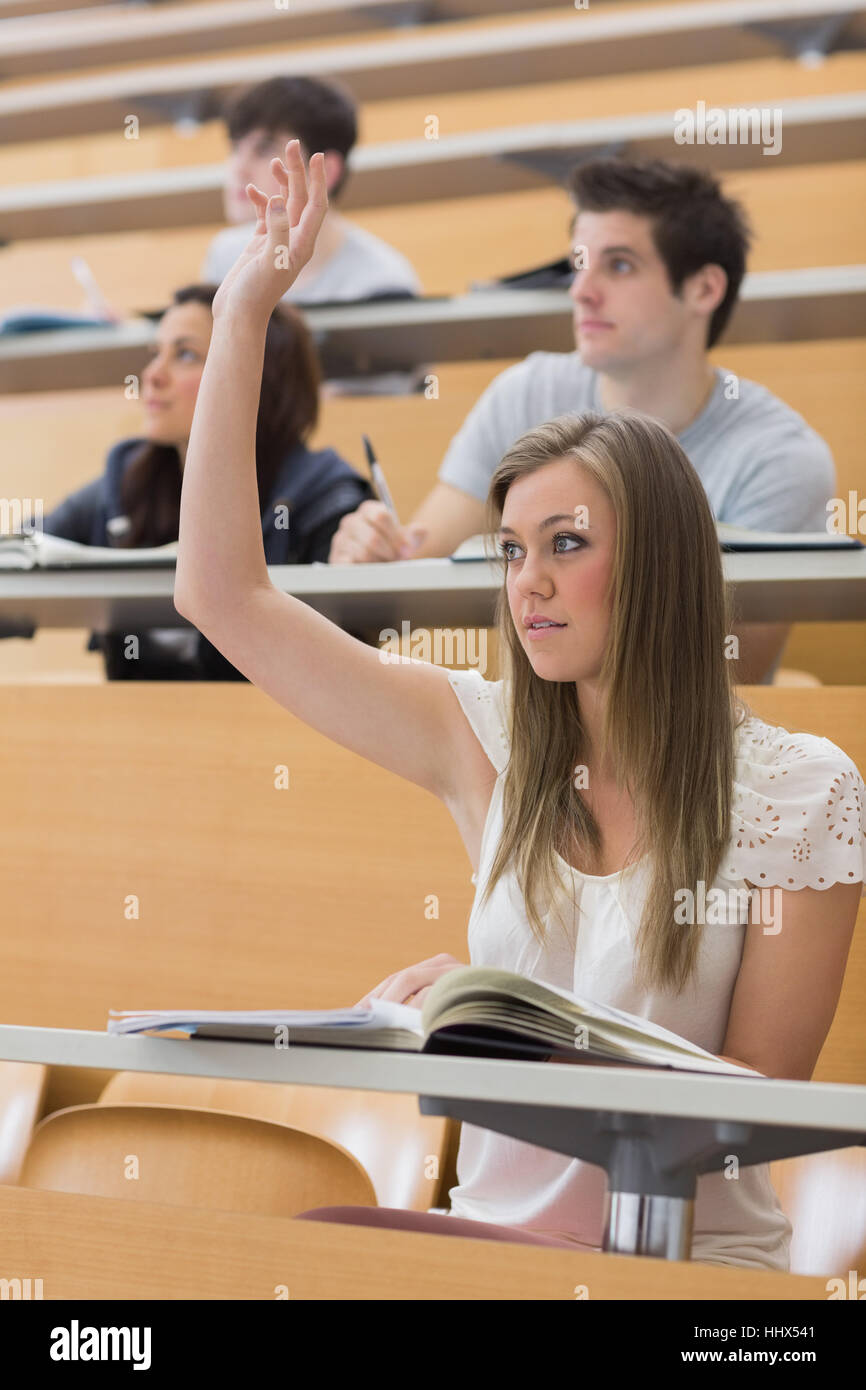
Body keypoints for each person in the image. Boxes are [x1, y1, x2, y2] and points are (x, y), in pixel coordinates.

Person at [174, 142, 864, 1268]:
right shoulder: (476, 732)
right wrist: (247, 305)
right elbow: (220, 594)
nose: (525, 582)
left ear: (661, 565)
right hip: (490, 1255)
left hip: (690, 1269)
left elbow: (748, 1118)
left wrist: (507, 1017)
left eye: (566, 545)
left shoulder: (803, 791)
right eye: (508, 552)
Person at [328, 157, 838, 683]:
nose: (581, 291)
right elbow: (417, 566)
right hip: (538, 727)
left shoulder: (781, 457)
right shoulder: (524, 393)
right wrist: (373, 553)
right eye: (578, 265)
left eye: (618, 266)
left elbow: (725, 676)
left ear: (704, 289)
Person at [43, 283, 374, 679]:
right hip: (134, 732)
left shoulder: (324, 494)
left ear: (257, 374)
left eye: (184, 354)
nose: (152, 376)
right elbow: (19, 551)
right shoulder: (125, 482)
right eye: (155, 354)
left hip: (274, 735)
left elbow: (356, 650)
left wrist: (364, 561)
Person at [202, 75, 421, 305]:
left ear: (325, 170)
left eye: (264, 149)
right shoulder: (225, 256)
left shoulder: (382, 282)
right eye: (235, 148)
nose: (238, 169)